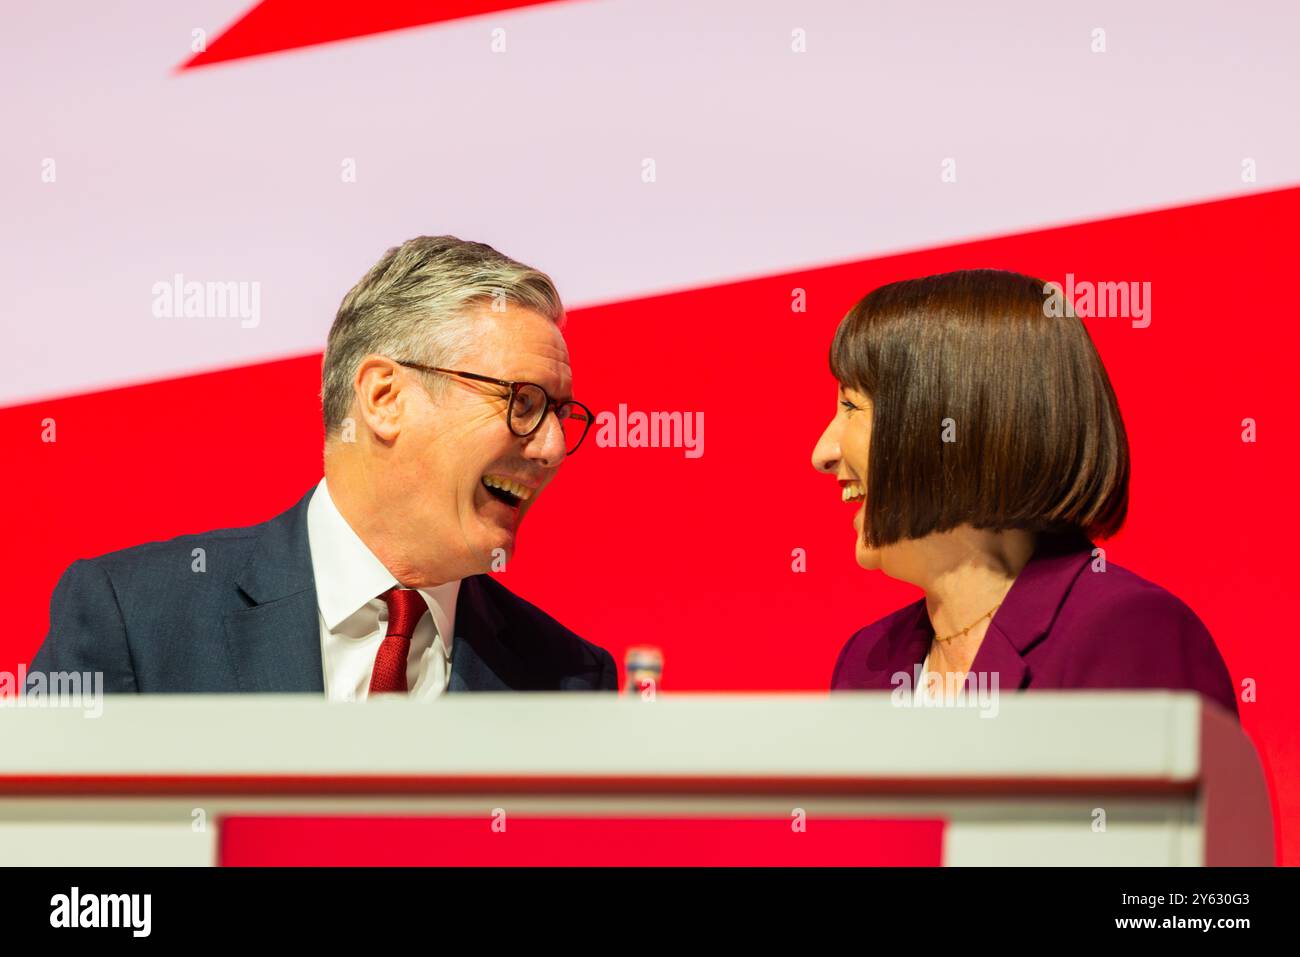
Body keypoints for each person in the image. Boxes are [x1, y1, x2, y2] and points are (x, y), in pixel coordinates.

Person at [29, 236, 617, 696]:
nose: (551, 448)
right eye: (523, 403)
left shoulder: (567, 679)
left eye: (562, 415)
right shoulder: (132, 619)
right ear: (385, 398)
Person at [812, 269, 1237, 716]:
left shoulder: (1128, 635)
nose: (821, 453)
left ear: (964, 420)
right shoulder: (866, 662)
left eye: (851, 405)